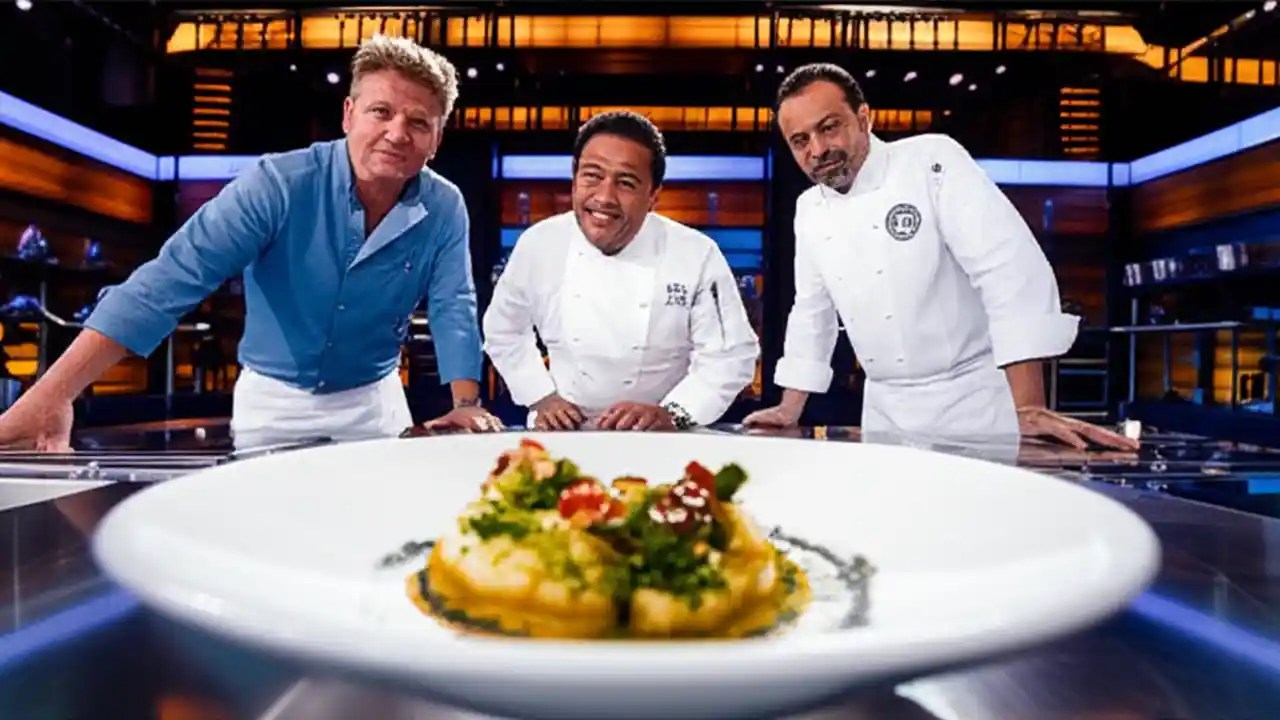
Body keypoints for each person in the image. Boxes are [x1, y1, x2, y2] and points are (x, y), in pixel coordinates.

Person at [0, 34, 502, 452]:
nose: (397, 133)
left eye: (418, 122)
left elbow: (453, 304)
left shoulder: (445, 206)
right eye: (380, 112)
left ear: (437, 138)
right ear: (348, 114)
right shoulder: (277, 183)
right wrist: (52, 395)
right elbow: (168, 280)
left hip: (374, 401)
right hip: (273, 401)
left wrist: (463, 405)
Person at [745, 63, 1136, 451]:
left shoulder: (931, 161)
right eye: (800, 140)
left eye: (829, 127)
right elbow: (813, 312)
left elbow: (1007, 270)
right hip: (884, 412)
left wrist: (1029, 406)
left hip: (974, 403)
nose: (817, 149)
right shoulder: (810, 209)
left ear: (864, 118)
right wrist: (789, 408)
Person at [483, 110, 760, 431]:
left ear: (653, 195)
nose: (604, 197)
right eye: (592, 176)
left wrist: (673, 412)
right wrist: (541, 396)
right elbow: (504, 331)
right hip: (563, 432)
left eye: (625, 182)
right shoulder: (540, 244)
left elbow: (730, 356)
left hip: (662, 437)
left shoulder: (695, 254)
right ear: (573, 179)